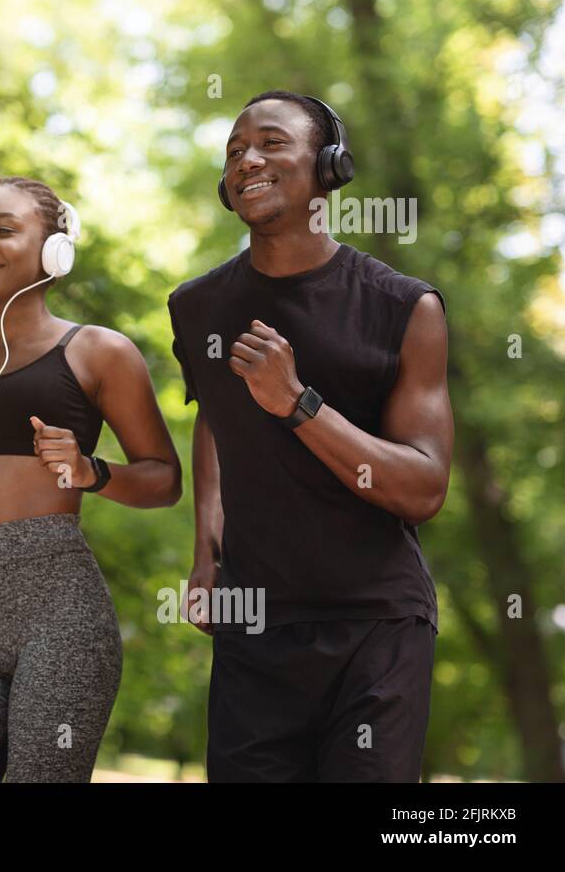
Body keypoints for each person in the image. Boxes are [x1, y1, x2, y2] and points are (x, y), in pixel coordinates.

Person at [167, 91, 453, 781]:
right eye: (235, 151)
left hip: (376, 627)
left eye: (270, 143)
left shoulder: (405, 307)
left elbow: (424, 487)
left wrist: (297, 404)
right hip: (253, 628)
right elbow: (212, 415)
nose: (247, 160)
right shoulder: (196, 306)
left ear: (330, 166)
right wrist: (207, 545)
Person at [0, 175, 181, 782]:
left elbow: (165, 479)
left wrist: (91, 471)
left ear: (56, 250)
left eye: (3, 230)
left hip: (60, 617)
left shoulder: (99, 351)